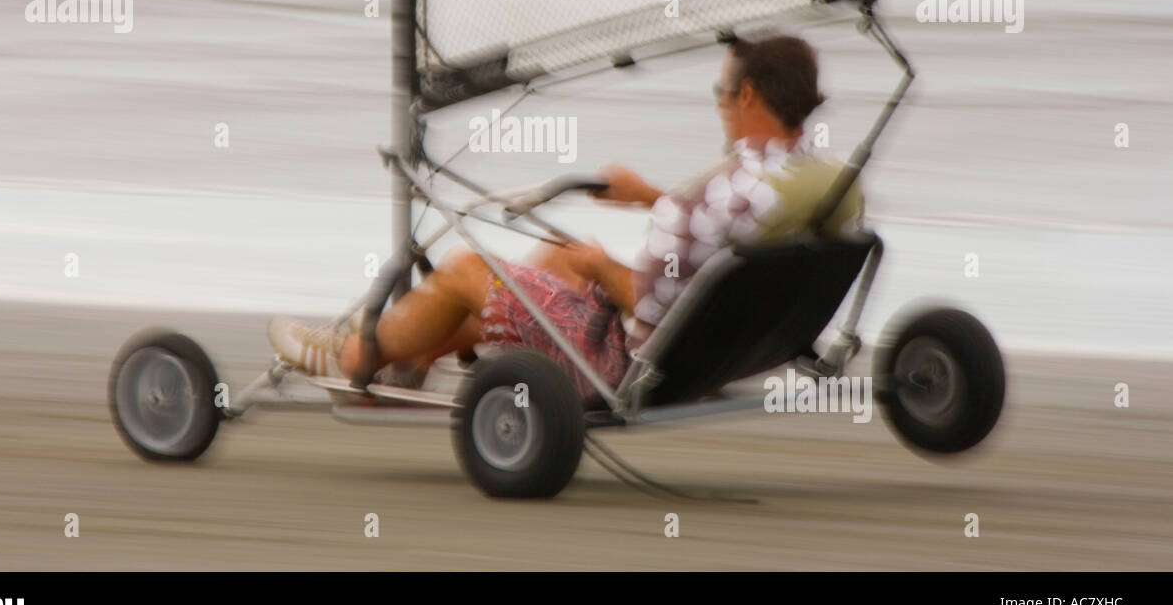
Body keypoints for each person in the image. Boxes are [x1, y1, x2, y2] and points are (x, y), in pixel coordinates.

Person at [268, 33, 864, 405]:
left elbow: (650, 303)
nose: (719, 104)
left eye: (722, 90)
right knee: (555, 257)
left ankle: (354, 359)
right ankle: (412, 357)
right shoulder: (819, 183)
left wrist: (601, 268)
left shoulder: (707, 198)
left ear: (750, 96)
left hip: (633, 368)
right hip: (732, 349)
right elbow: (721, 237)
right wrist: (644, 199)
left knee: (468, 270)